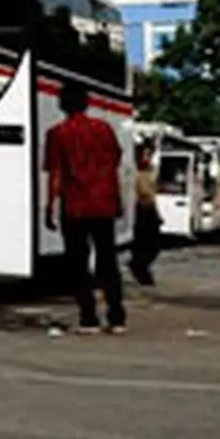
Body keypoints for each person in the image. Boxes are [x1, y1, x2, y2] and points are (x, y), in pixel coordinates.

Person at [44, 81, 127, 333]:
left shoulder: (58, 133)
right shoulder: (104, 129)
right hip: (104, 201)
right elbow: (114, 162)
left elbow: (56, 174)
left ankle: (88, 317)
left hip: (76, 205)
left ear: (63, 104)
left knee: (78, 263)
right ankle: (116, 316)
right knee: (108, 260)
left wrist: (50, 205)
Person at [130, 141, 161, 289]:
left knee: (153, 244)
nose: (148, 158)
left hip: (149, 208)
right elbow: (143, 193)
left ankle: (139, 266)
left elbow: (152, 193)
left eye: (150, 154)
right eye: (146, 154)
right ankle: (139, 268)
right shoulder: (136, 172)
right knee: (145, 243)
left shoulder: (149, 171)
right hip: (141, 209)